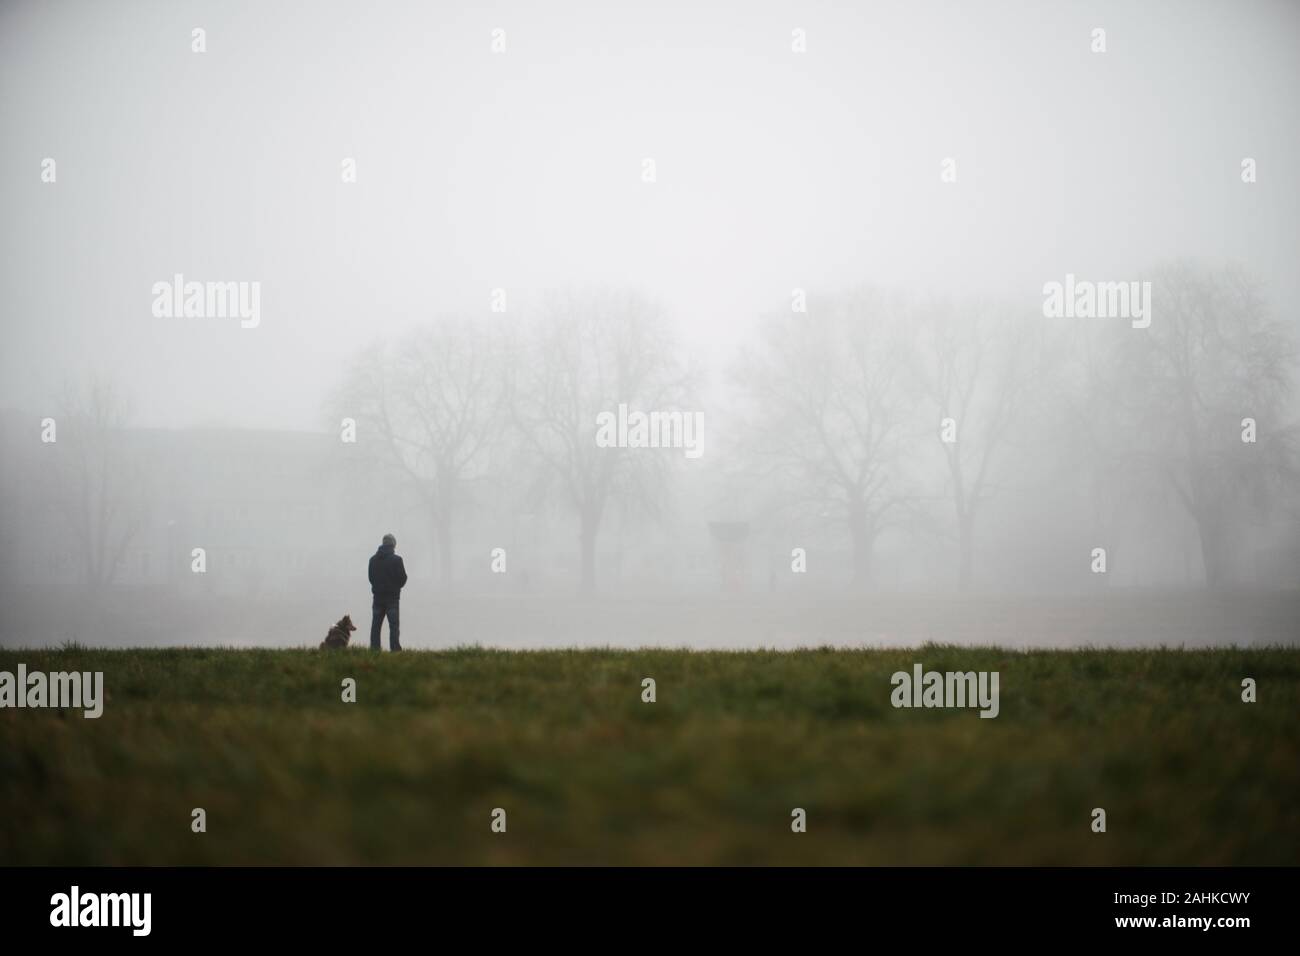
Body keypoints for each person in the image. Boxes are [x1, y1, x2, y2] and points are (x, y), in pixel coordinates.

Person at [367, 533, 407, 651]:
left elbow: (371, 578)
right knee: (394, 626)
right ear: (393, 545)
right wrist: (395, 587)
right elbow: (403, 578)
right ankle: (395, 650)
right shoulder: (397, 560)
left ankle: (375, 650)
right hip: (392, 598)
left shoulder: (373, 560)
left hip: (378, 598)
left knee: (376, 626)